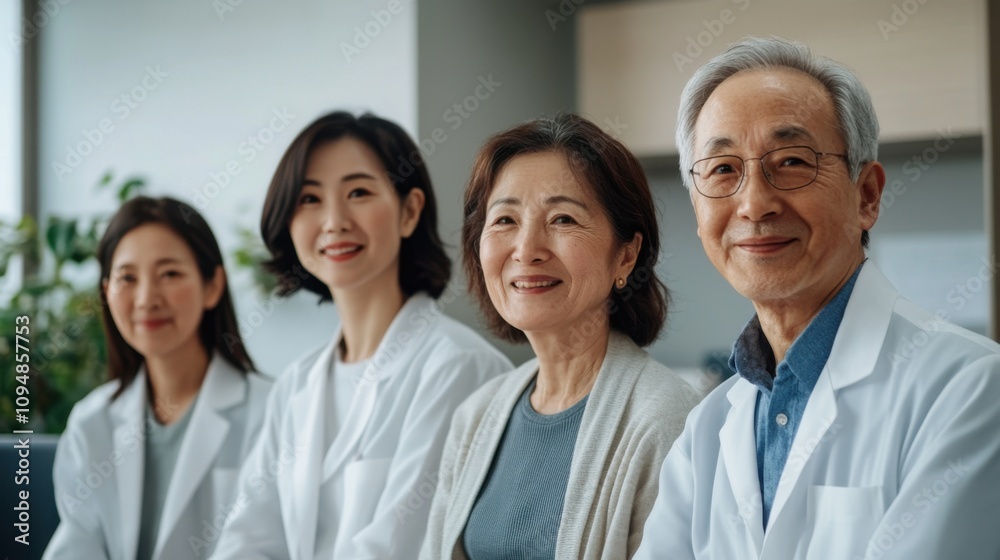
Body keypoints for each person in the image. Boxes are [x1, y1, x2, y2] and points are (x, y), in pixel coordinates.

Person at [633, 37, 1000, 560]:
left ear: (866, 195)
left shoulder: (971, 390)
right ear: (697, 214)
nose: (754, 203)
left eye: (791, 161)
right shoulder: (709, 427)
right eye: (722, 169)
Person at [211, 111, 512, 560]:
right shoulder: (296, 384)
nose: (333, 220)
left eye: (358, 192)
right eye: (309, 199)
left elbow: (399, 549)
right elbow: (247, 541)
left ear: (409, 211)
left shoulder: (459, 367)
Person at [420, 113, 701, 560]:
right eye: (505, 220)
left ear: (626, 255)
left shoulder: (667, 419)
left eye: (563, 219)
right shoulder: (476, 416)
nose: (527, 249)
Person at [44, 196, 273, 560]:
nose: (147, 299)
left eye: (170, 274)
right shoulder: (92, 423)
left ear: (212, 286)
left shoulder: (271, 412)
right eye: (128, 278)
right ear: (106, 293)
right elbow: (77, 547)